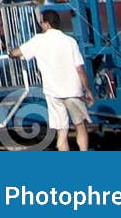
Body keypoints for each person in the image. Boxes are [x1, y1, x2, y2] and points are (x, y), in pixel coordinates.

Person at [13, 8, 93, 151]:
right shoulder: (70, 41)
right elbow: (80, 69)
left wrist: (10, 54)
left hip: (53, 92)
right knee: (80, 125)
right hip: (73, 90)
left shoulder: (39, 40)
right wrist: (87, 90)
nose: (40, 25)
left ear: (47, 24)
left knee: (61, 130)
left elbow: (17, 53)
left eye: (41, 22)